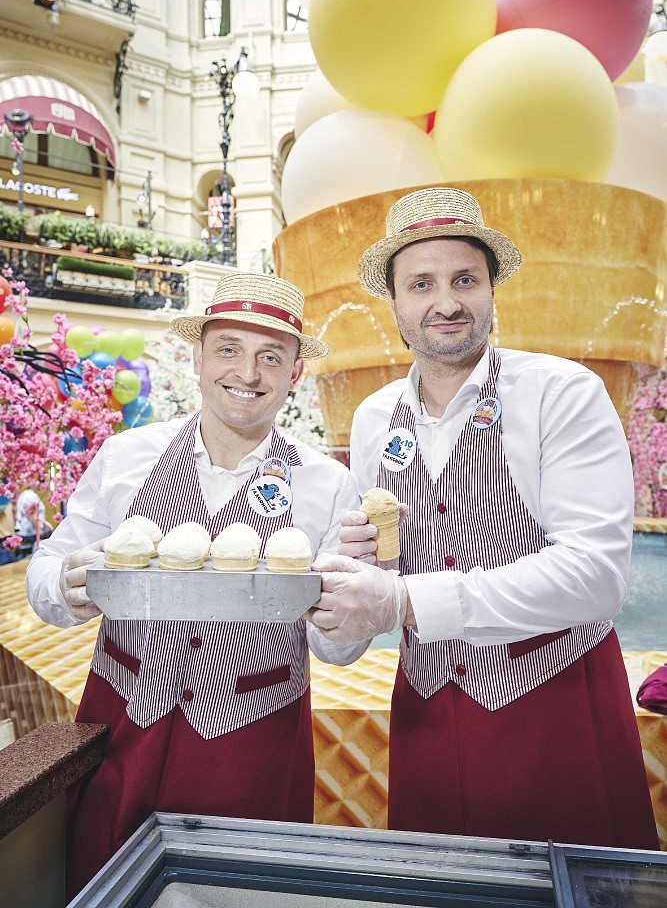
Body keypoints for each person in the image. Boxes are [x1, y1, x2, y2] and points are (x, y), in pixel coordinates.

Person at [307, 186, 659, 850]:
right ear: (393, 303)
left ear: (492, 290)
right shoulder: (375, 418)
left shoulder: (561, 393)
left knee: (572, 886)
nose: (445, 302)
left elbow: (594, 576)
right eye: (421, 284)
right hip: (424, 711)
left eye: (464, 279)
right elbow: (379, 568)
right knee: (440, 883)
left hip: (555, 707)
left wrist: (401, 599)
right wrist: (353, 576)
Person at [26, 272, 364, 896]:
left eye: (271, 356)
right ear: (198, 358)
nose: (248, 372)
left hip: (255, 737)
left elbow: (337, 650)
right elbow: (46, 568)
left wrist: (352, 608)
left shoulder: (328, 484)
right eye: (228, 349)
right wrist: (67, 585)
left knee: (244, 894)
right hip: (122, 724)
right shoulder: (126, 456)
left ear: (295, 373)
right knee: (108, 886)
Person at [15, 488, 52, 558]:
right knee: (32, 557)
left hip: (23, 531)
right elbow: (31, 514)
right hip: (31, 532)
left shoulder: (23, 494)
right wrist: (39, 530)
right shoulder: (31, 496)